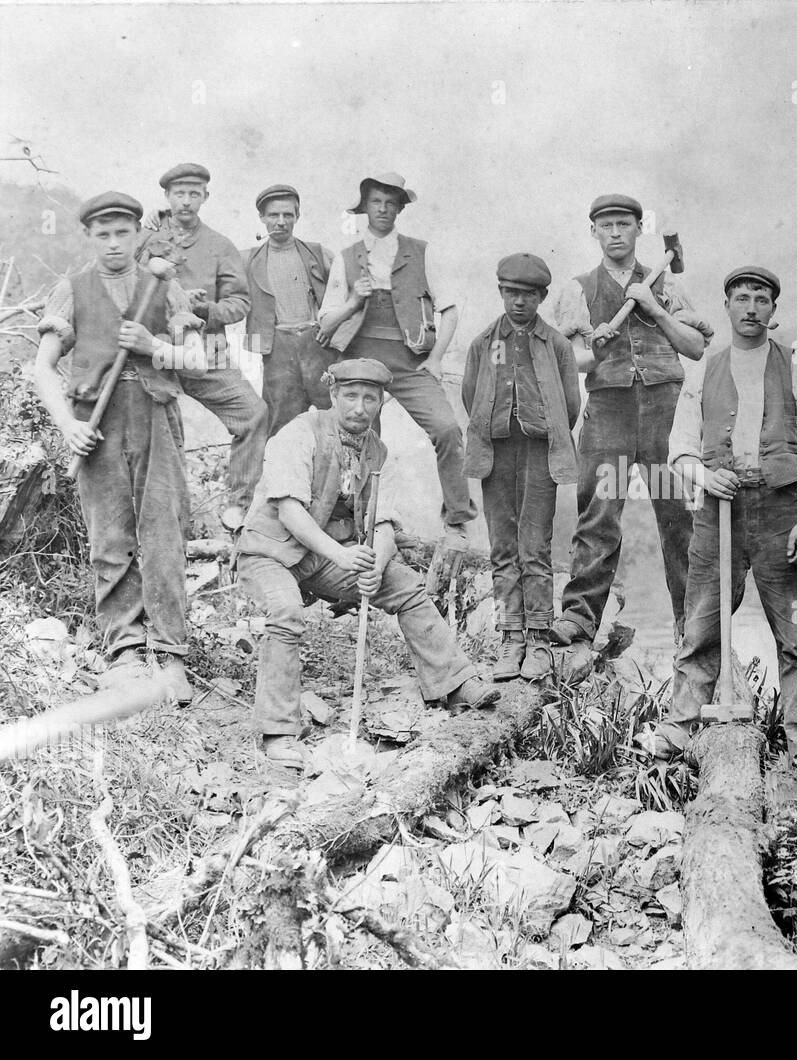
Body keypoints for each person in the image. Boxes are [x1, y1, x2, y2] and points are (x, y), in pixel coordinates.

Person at [234, 358, 500, 769]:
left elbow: (384, 520)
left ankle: (454, 681)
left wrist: (377, 560)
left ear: (380, 402)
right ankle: (279, 731)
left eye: (370, 399)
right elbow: (290, 511)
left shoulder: (378, 451)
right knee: (285, 612)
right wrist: (340, 554)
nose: (360, 408)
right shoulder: (299, 433)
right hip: (271, 553)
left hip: (323, 561)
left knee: (405, 587)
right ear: (334, 396)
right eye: (351, 397)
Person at [645, 266, 797, 766]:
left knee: (796, 624)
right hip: (719, 513)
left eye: (761, 299)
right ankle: (682, 724)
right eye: (741, 298)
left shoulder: (796, 366)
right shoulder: (703, 370)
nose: (751, 307)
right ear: (727, 306)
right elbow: (681, 449)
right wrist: (704, 477)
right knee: (700, 622)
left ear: (773, 310)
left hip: (782, 512)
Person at [32, 191, 204, 701]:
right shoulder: (73, 288)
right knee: (109, 534)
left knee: (164, 532)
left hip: (154, 414)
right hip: (96, 423)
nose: (112, 244)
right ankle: (125, 650)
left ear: (137, 233)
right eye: (102, 235)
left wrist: (157, 348)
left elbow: (198, 359)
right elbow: (42, 367)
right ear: (90, 236)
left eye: (122, 233)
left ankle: (171, 653)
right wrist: (67, 425)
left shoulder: (165, 284)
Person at [547, 193, 711, 651]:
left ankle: (692, 621)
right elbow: (568, 360)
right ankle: (580, 619)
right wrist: (592, 351)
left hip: (665, 409)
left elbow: (696, 347)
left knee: (679, 515)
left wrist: (654, 309)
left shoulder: (666, 285)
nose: (616, 233)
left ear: (639, 229)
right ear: (593, 232)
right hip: (609, 412)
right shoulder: (577, 290)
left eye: (624, 224)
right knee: (599, 513)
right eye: (606, 225)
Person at [316, 171, 476, 572]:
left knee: (446, 429)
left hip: (409, 360)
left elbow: (450, 309)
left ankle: (457, 522)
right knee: (359, 439)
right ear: (364, 207)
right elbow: (325, 324)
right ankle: (360, 526)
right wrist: (354, 299)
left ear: (401, 208)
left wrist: (436, 358)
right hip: (362, 361)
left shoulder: (421, 252)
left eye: (391, 202)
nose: (383, 209)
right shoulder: (347, 256)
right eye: (376, 202)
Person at [462, 254, 581, 682]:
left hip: (539, 453)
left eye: (528, 295)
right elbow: (471, 393)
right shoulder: (484, 343)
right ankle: (510, 638)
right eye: (511, 293)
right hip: (496, 452)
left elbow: (570, 404)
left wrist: (540, 428)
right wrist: (495, 425)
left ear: (542, 297)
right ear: (500, 293)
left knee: (535, 544)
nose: (518, 302)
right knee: (502, 545)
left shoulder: (557, 346)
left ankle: (538, 638)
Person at [142, 162, 265, 532]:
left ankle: (237, 505)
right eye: (179, 193)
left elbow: (240, 303)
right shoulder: (147, 238)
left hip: (207, 351)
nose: (186, 201)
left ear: (206, 197)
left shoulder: (219, 245)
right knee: (157, 438)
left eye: (194, 194)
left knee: (254, 414)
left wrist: (203, 309)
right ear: (167, 197)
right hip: (153, 353)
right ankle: (161, 518)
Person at [242, 184, 336, 435]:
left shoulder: (318, 253)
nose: (281, 222)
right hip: (277, 349)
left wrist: (334, 327)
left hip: (318, 344)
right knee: (282, 427)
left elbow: (345, 290)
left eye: (288, 215)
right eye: (273, 215)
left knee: (336, 420)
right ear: (262, 217)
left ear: (297, 216)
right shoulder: (247, 260)